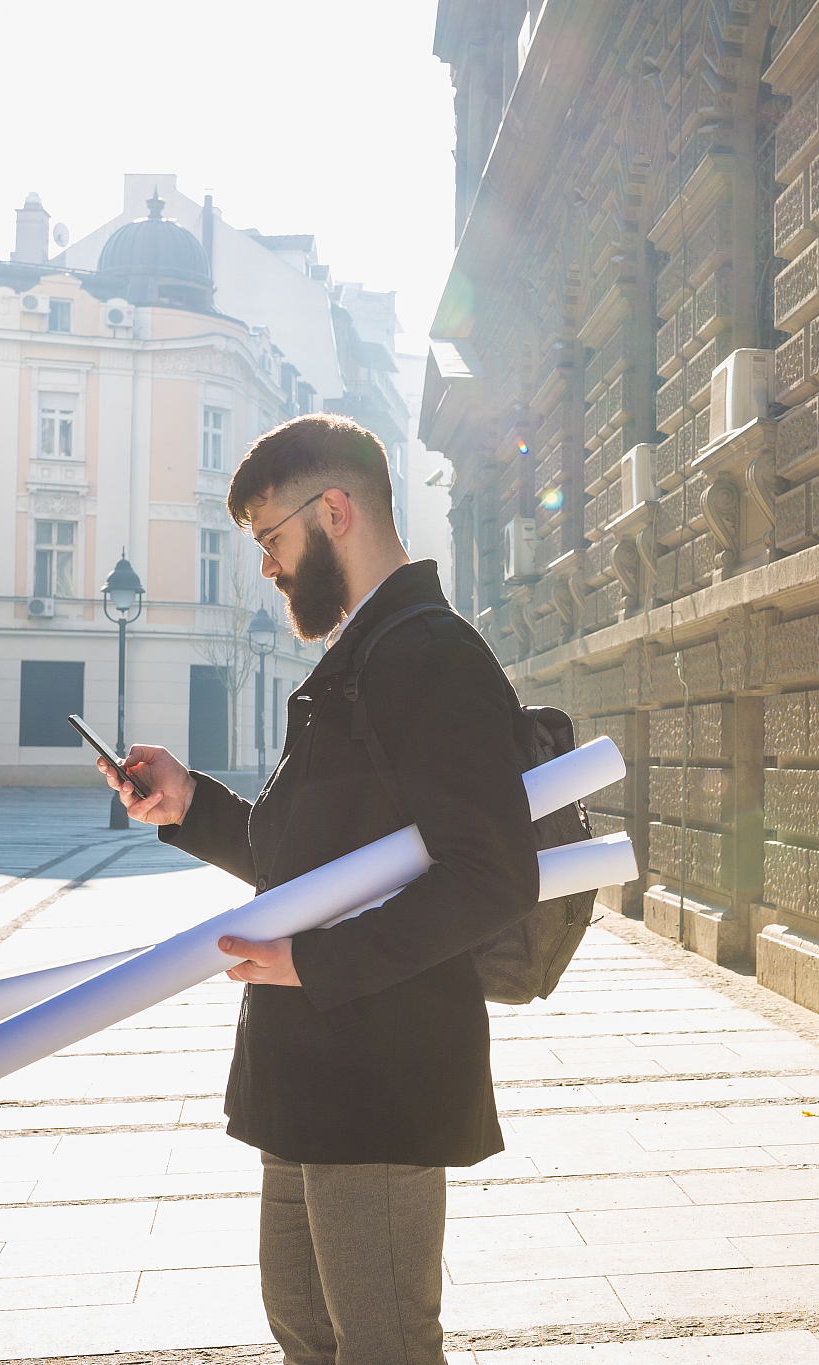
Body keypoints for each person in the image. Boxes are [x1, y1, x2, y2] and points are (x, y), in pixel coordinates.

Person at [99, 413, 539, 1365]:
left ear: (333, 510)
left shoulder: (430, 656)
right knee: (308, 1337)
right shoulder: (363, 655)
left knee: (380, 1347)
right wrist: (187, 804)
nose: (264, 566)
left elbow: (493, 874)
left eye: (270, 539)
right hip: (306, 1079)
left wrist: (316, 960)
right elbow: (307, 862)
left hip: (380, 1080)